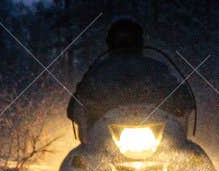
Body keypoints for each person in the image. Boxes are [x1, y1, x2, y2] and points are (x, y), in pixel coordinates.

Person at [66, 18, 194, 138]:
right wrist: (82, 107)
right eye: (121, 39)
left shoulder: (155, 69)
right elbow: (79, 101)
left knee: (192, 156)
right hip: (105, 137)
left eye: (129, 39)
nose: (125, 43)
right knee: (78, 158)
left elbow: (175, 91)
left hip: (158, 135)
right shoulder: (99, 72)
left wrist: (181, 99)